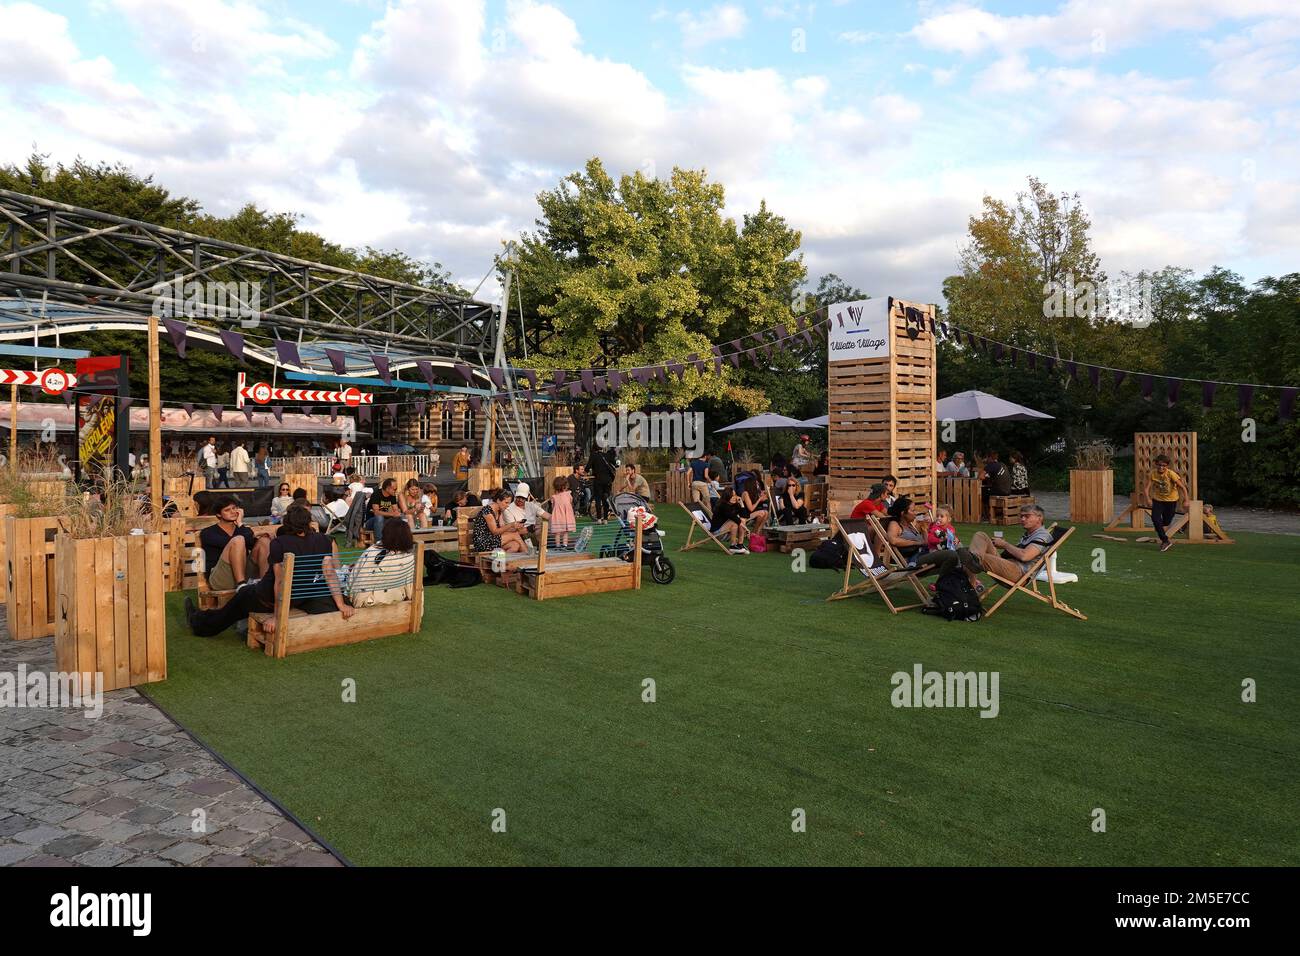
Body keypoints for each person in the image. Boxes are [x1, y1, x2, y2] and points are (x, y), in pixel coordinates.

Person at [185, 504, 353, 638]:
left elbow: (280, 582)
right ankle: (217, 620)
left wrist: (277, 616)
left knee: (224, 616)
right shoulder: (324, 540)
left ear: (288, 523)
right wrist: (341, 604)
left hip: (264, 599)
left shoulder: (280, 543)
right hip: (299, 597)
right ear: (308, 522)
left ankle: (197, 621)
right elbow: (329, 573)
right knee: (231, 610)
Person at [967, 504, 1054, 581]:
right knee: (981, 535)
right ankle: (974, 560)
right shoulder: (1030, 534)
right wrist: (1002, 545)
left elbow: (1025, 556)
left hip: (1018, 573)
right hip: (1009, 564)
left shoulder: (1043, 536)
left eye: (1027, 516)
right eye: (1021, 516)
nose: (1022, 519)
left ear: (1039, 518)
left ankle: (973, 570)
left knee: (974, 555)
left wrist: (1005, 545)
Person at [198, 496, 264, 590]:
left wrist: (240, 523)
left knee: (263, 541)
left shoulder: (241, 529)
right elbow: (231, 542)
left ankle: (266, 582)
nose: (233, 512)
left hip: (244, 572)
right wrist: (251, 534)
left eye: (234, 508)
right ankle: (241, 586)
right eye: (227, 510)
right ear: (218, 514)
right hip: (220, 578)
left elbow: (252, 543)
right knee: (238, 540)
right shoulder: (208, 533)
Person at [348, 518, 416, 607]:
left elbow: (354, 576)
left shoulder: (371, 550)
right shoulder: (408, 557)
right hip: (390, 600)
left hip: (362, 601)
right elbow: (411, 589)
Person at [1144, 454, 1188, 552]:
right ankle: (1165, 540)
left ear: (1167, 466)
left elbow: (1183, 487)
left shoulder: (1171, 474)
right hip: (1158, 500)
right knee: (1155, 518)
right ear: (1156, 464)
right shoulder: (1152, 474)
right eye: (1159, 465)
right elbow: (1146, 488)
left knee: (1166, 522)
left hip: (1171, 501)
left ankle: (1162, 534)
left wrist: (1186, 500)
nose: (1161, 467)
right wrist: (1148, 499)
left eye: (1164, 465)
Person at [471, 488, 527, 554]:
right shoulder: (487, 511)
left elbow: (502, 528)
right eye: (506, 502)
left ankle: (498, 561)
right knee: (515, 535)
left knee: (515, 545)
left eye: (509, 503)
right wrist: (511, 525)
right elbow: (495, 531)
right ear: (498, 500)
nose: (508, 505)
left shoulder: (500, 511)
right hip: (483, 542)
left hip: (492, 540)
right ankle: (529, 558)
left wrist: (515, 527)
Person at [709, 487, 749, 553]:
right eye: (732, 496)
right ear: (727, 496)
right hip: (717, 534)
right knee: (734, 522)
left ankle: (740, 544)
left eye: (735, 495)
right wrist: (745, 527)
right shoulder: (722, 505)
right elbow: (732, 516)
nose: (734, 497)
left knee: (742, 519)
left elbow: (745, 516)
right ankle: (733, 546)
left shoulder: (734, 505)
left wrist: (741, 503)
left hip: (726, 531)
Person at [586, 443, 617, 524]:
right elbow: (615, 464)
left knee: (598, 499)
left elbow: (587, 467)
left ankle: (599, 519)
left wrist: (587, 472)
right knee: (605, 499)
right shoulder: (607, 455)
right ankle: (605, 519)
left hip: (598, 480)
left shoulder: (593, 455)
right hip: (608, 481)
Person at [550, 475, 576, 548]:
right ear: (565, 486)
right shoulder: (568, 495)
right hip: (566, 516)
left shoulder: (554, 497)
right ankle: (565, 545)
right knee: (565, 532)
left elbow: (553, 507)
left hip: (557, 517)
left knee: (557, 532)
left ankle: (557, 545)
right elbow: (570, 502)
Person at [689, 450, 712, 518]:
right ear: (705, 456)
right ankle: (710, 517)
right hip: (702, 484)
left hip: (694, 483)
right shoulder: (706, 464)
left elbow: (688, 473)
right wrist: (711, 482)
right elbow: (706, 476)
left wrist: (689, 483)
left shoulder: (693, 463)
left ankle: (696, 519)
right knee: (708, 501)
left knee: (696, 502)